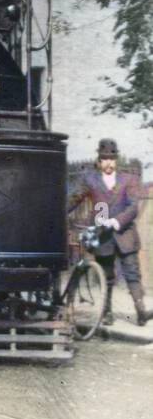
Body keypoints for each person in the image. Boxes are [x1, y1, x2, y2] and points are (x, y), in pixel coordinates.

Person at [72, 138, 147, 327]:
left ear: (117, 160)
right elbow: (74, 199)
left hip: (125, 234)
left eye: (112, 159)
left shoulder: (128, 179)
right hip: (102, 236)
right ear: (99, 160)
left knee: (132, 273)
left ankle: (141, 312)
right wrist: (57, 212)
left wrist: (116, 221)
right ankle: (106, 313)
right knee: (106, 275)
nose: (108, 163)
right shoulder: (90, 179)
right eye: (104, 159)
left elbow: (133, 208)